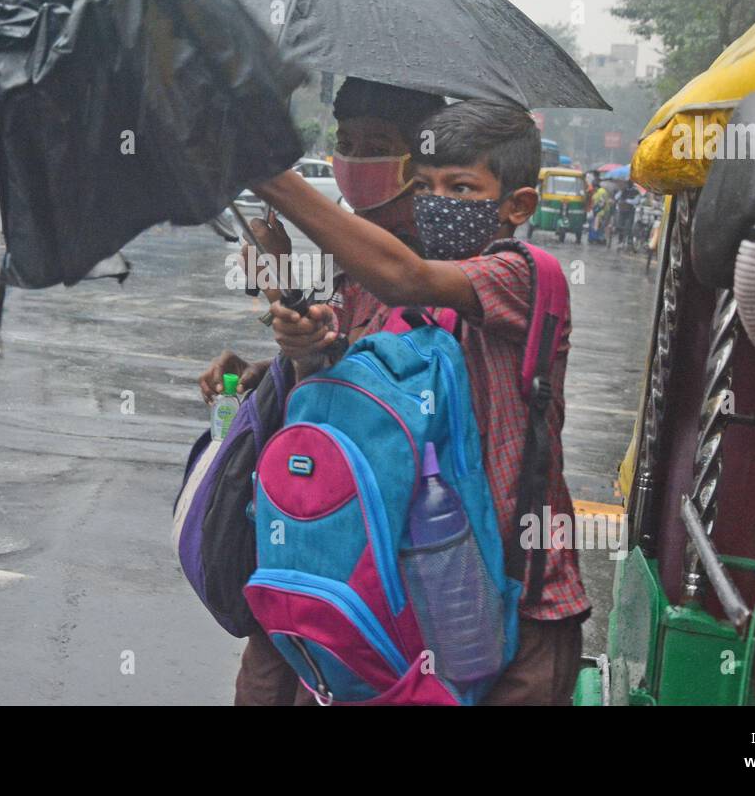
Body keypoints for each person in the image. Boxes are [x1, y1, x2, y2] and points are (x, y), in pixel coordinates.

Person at [249, 99, 590, 705]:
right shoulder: (378, 296)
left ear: (518, 206)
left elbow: (407, 277)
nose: (438, 202)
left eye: (462, 188)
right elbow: (341, 411)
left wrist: (270, 176)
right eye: (426, 186)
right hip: (412, 589)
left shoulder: (523, 274)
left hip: (522, 594)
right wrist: (305, 350)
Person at [197, 79, 444, 404]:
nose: (356, 161)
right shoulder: (344, 250)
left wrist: (257, 169)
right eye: (345, 145)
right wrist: (270, 372)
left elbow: (361, 391)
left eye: (379, 149)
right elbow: (325, 351)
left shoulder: (423, 263)